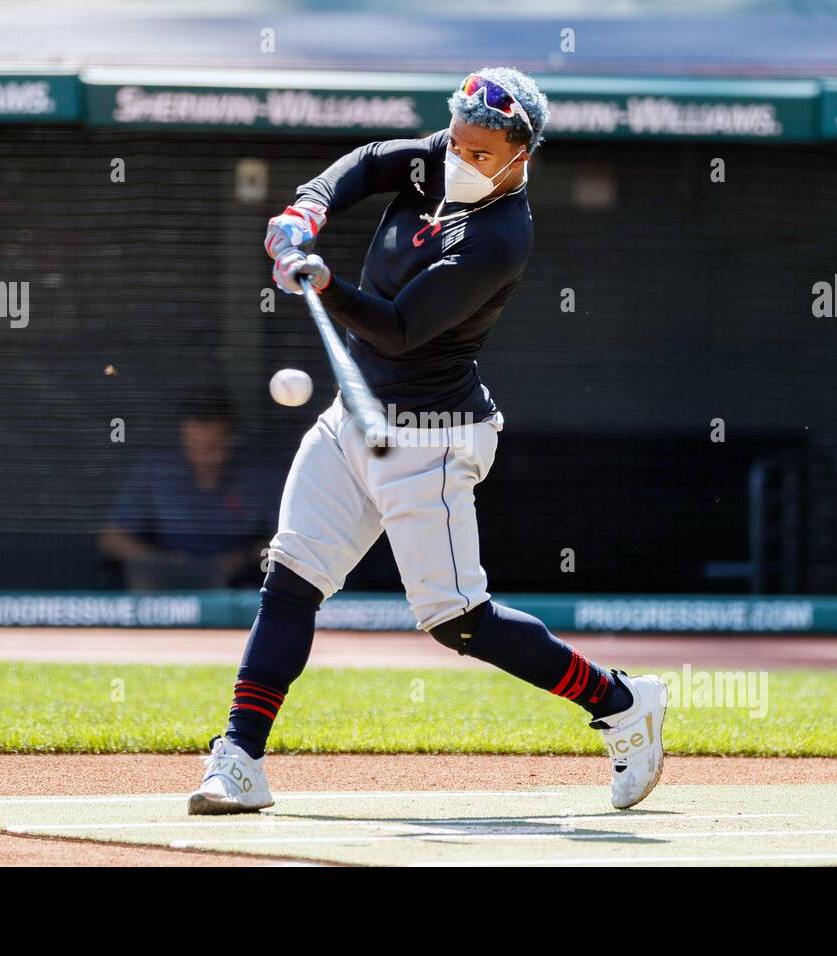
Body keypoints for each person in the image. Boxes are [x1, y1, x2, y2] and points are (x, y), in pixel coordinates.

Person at [188, 68, 668, 815]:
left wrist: (323, 285)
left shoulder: (501, 238)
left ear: (521, 156)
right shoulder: (433, 158)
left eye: (482, 153)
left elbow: (402, 329)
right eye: (459, 141)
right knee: (291, 579)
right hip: (355, 418)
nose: (460, 158)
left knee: (454, 618)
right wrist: (305, 208)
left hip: (433, 436)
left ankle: (620, 701)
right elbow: (369, 162)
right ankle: (239, 757)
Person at [99, 400, 274, 591]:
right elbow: (112, 537)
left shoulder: (259, 476)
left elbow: (287, 540)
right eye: (194, 447)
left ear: (232, 441)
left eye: (213, 447)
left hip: (239, 589)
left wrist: (242, 558)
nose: (203, 457)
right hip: (165, 588)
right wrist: (161, 562)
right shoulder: (157, 471)